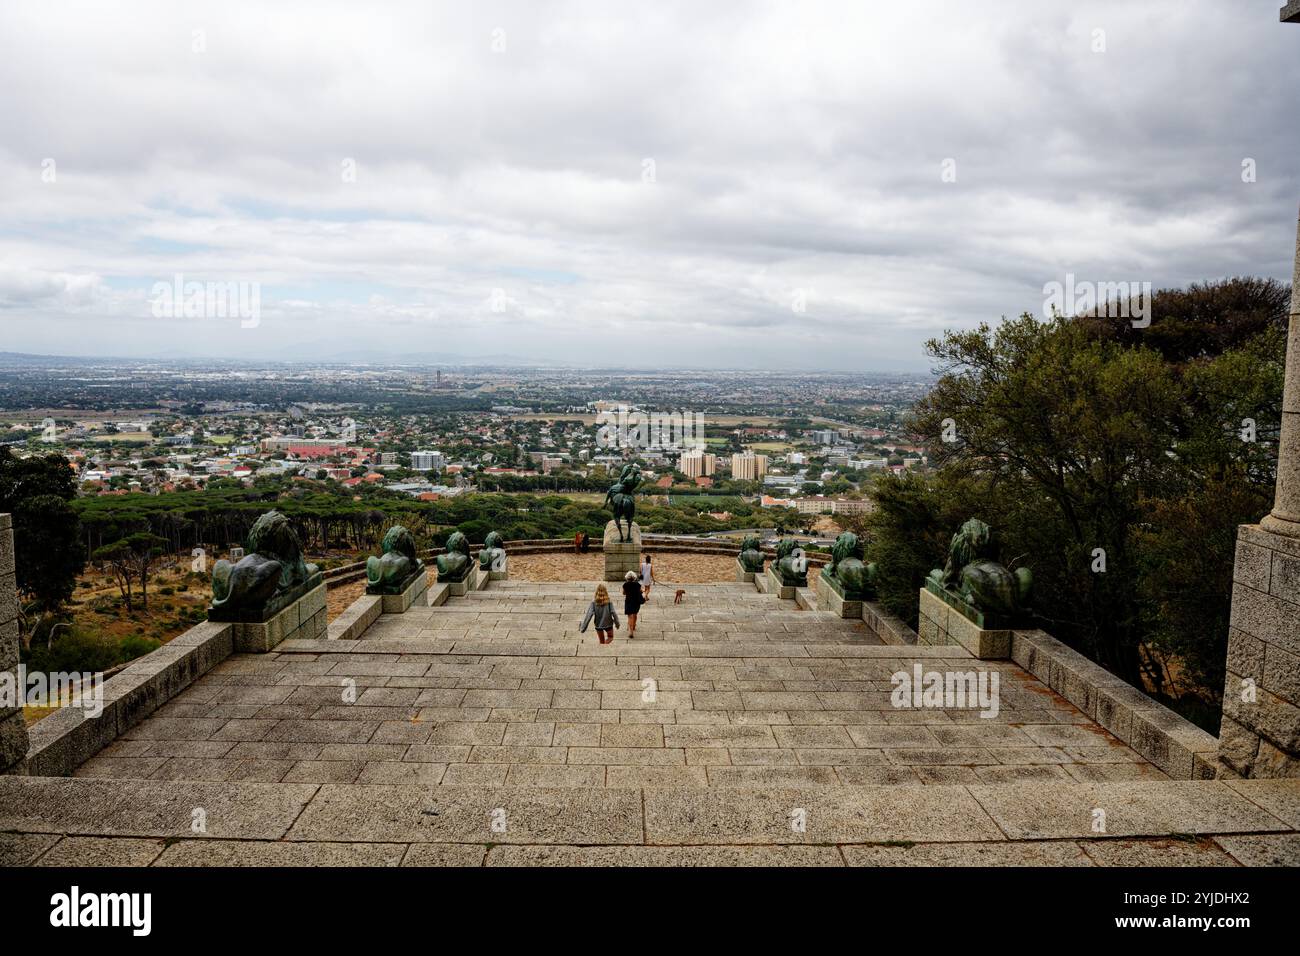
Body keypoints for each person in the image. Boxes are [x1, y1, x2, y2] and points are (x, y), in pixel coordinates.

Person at [622, 570, 644, 638]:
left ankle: (631, 631)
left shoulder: (625, 585)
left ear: (627, 577)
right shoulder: (637, 584)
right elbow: (641, 591)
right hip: (636, 601)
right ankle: (634, 625)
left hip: (628, 601)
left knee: (630, 616)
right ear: (634, 577)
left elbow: (624, 593)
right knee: (635, 614)